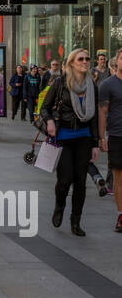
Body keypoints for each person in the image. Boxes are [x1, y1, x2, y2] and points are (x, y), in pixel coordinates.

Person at [43, 48, 99, 237]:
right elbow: (45, 108)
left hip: (83, 138)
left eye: (87, 59)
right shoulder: (60, 83)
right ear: (72, 63)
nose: (85, 61)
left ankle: (76, 221)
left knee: (81, 183)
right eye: (80, 59)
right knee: (65, 180)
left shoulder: (92, 85)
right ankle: (60, 205)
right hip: (64, 139)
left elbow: (94, 117)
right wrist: (50, 121)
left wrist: (95, 143)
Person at [98, 49, 122, 234]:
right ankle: (121, 215)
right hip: (116, 136)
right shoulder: (108, 84)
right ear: (117, 61)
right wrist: (101, 137)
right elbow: (102, 112)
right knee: (118, 178)